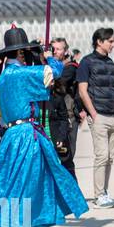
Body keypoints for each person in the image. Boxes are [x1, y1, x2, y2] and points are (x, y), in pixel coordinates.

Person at [0, 26, 88, 227]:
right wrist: (48, 58)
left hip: (12, 135)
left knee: (13, 187)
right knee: (23, 187)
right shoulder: (20, 74)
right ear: (20, 53)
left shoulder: (5, 76)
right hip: (26, 135)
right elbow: (54, 73)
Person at [75, 27, 114, 208]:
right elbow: (82, 90)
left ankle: (105, 192)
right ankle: (99, 195)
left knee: (110, 157)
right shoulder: (87, 62)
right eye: (110, 41)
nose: (113, 44)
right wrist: (93, 114)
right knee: (102, 156)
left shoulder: (110, 63)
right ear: (99, 42)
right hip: (99, 115)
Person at [47, 37, 80, 185]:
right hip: (49, 118)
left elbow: (58, 76)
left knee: (66, 156)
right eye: (52, 48)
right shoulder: (45, 65)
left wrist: (49, 61)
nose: (54, 52)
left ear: (65, 51)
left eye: (58, 49)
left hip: (67, 117)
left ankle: (72, 191)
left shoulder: (69, 67)